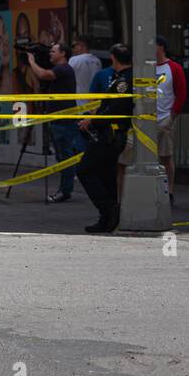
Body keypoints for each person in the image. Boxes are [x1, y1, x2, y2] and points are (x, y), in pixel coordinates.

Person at [75, 42, 134, 233]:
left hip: (111, 134)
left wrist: (92, 121)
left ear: (113, 58)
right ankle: (107, 219)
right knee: (106, 174)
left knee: (85, 169)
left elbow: (116, 109)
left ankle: (108, 208)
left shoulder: (124, 81)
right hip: (110, 133)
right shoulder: (120, 78)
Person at [27, 41, 82, 203]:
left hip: (63, 119)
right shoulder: (59, 69)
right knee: (61, 155)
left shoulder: (63, 69)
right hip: (57, 118)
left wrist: (31, 61)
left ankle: (65, 190)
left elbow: (44, 75)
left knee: (65, 156)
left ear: (63, 54)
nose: (50, 53)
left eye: (53, 51)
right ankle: (66, 187)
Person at [154, 35, 186, 201]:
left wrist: (172, 116)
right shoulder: (145, 67)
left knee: (166, 156)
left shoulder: (174, 68)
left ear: (162, 47)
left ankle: (170, 190)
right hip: (146, 118)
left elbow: (181, 94)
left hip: (165, 117)